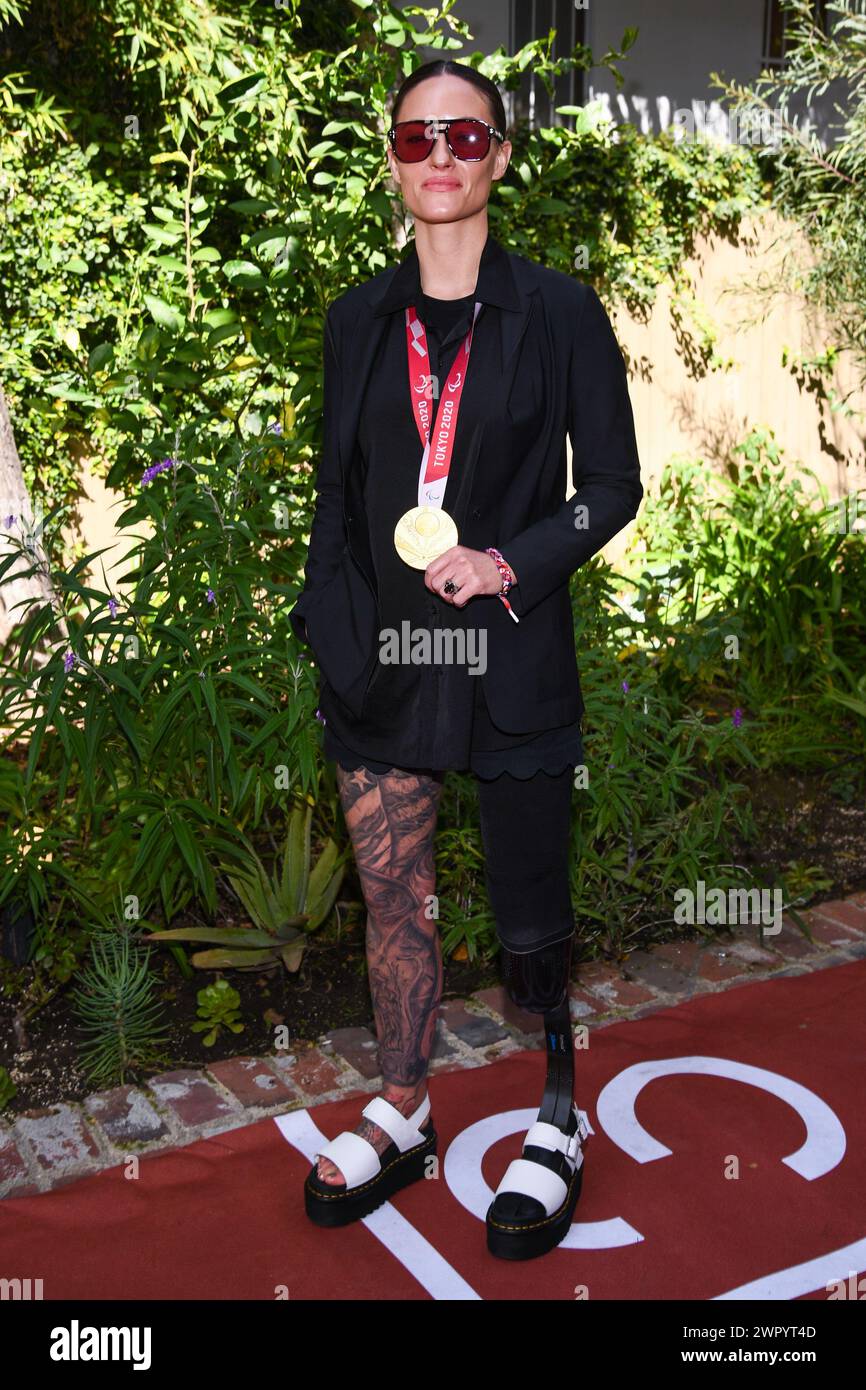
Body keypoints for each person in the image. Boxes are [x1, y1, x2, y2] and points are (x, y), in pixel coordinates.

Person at [290, 58, 643, 1260]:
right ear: (392, 158)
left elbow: (610, 489)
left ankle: (557, 1111)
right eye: (414, 136)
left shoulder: (558, 311)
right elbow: (335, 502)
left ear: (497, 155)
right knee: (395, 898)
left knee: (530, 900)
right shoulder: (352, 319)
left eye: (463, 134)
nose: (437, 154)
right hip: (384, 659)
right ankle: (404, 1101)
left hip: (507, 650)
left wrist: (511, 560)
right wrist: (329, 636)